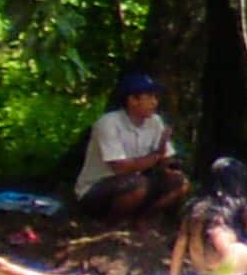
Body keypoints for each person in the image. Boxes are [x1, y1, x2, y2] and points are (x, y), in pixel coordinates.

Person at [76, 72, 189, 231]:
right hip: (97, 189)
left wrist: (167, 161)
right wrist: (157, 155)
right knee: (136, 185)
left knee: (179, 182)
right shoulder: (108, 123)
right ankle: (109, 226)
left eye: (155, 97)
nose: (154, 102)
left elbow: (166, 158)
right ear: (132, 100)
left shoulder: (155, 122)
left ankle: (142, 219)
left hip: (135, 184)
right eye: (149, 97)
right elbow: (120, 167)